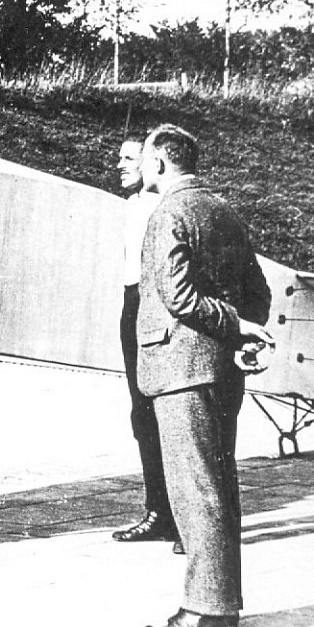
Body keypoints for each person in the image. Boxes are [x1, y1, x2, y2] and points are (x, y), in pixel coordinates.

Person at [136, 124, 273, 627]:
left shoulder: (168, 212)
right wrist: (241, 336)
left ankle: (204, 608)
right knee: (219, 486)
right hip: (220, 369)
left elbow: (178, 296)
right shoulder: (224, 211)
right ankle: (221, 602)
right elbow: (257, 289)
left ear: (161, 164)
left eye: (148, 160)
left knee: (196, 490)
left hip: (180, 369)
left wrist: (235, 327)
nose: (145, 169)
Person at [110, 138, 180, 553]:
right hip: (132, 304)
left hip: (160, 306)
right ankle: (158, 511)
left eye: (129, 158)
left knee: (168, 413)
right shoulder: (132, 205)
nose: (119, 164)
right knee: (142, 414)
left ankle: (180, 515)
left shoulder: (165, 206)